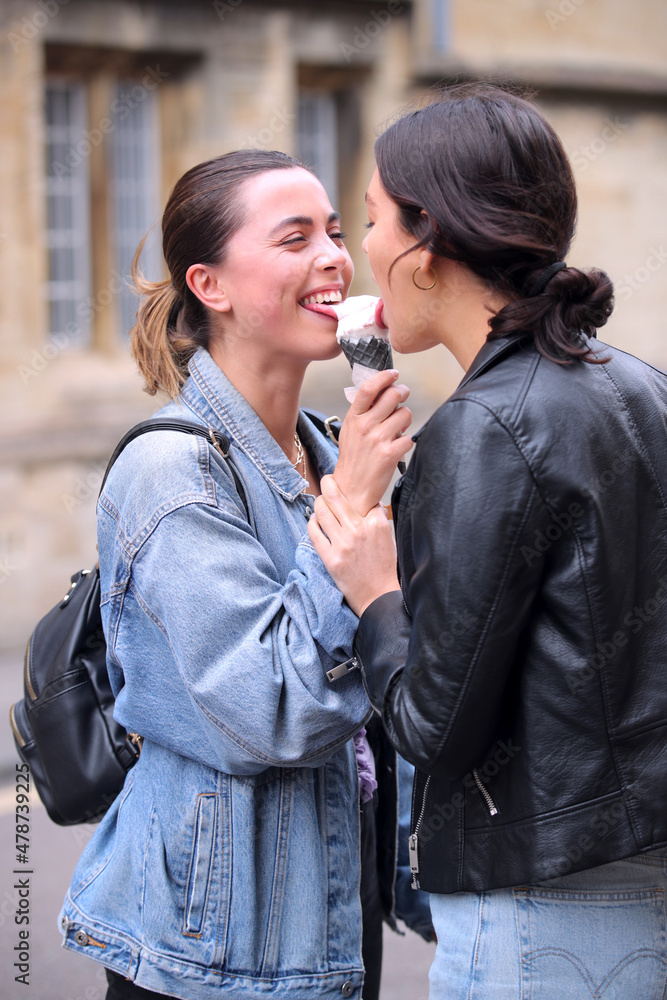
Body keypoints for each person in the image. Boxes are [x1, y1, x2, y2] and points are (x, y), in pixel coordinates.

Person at [308, 83, 667, 999]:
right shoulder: (637, 383)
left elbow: (435, 726)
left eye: (376, 222)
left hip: (546, 905)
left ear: (428, 248)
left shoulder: (485, 427)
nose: (363, 255)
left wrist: (372, 591)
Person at [58, 148, 418, 1000]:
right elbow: (271, 710)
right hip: (216, 952)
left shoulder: (331, 448)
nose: (333, 255)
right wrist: (358, 501)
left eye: (335, 231)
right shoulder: (173, 474)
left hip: (332, 904)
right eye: (293, 239)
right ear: (209, 286)